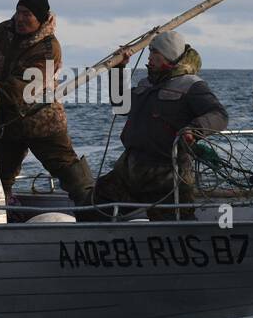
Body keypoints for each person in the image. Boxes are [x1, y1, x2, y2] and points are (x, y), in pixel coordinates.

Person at [0, 0, 93, 204]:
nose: (19, 18)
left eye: (27, 14)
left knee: (69, 173)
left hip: (41, 122)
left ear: (40, 18)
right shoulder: (1, 31)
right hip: (7, 123)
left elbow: (22, 88)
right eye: (18, 12)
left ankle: (95, 212)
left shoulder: (49, 48)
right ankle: (0, 219)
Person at [88, 30, 227, 220]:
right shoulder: (146, 85)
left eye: (155, 53)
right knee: (95, 205)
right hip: (131, 168)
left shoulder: (191, 85)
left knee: (177, 226)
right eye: (150, 52)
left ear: (168, 56)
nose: (150, 58)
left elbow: (219, 114)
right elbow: (120, 104)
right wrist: (118, 70)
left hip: (168, 174)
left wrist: (195, 129)